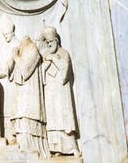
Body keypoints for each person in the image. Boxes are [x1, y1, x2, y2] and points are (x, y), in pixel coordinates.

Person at [40, 28, 79, 156]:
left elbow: (64, 71)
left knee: (64, 120)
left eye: (51, 41)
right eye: (47, 42)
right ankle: (57, 149)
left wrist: (54, 58)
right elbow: (41, 74)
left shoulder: (64, 53)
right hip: (50, 93)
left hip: (61, 93)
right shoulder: (46, 55)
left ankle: (73, 148)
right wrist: (47, 60)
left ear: (56, 40)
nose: (50, 44)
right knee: (53, 120)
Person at [8, 35, 49, 158]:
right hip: (21, 98)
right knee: (22, 127)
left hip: (30, 97)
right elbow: (10, 72)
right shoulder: (21, 50)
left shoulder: (32, 49)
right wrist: (12, 58)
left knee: (28, 126)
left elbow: (25, 71)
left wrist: (15, 57)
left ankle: (32, 149)